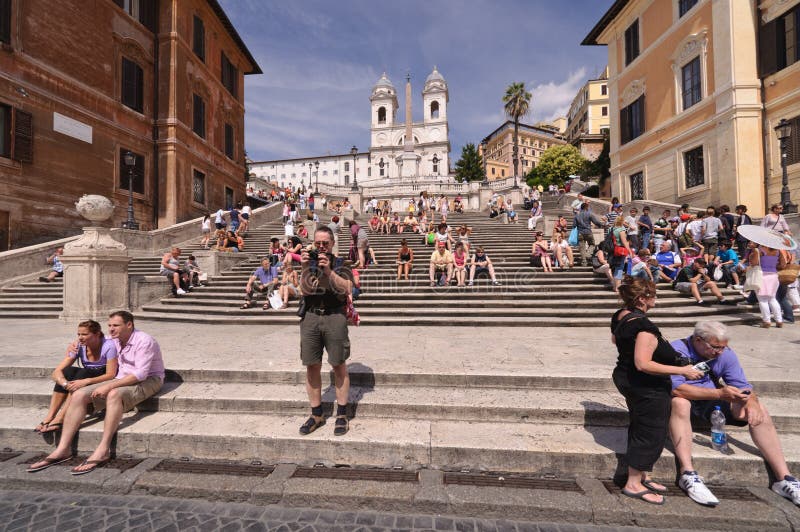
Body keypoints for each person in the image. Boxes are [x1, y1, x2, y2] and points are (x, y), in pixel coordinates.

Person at [669, 321, 800, 507]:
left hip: (713, 402)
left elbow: (743, 385)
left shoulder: (724, 352)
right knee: (679, 403)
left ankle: (784, 478)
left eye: (723, 347)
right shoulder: (676, 350)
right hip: (686, 399)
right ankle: (687, 472)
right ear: (698, 340)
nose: (720, 352)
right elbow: (677, 389)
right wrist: (719, 393)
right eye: (715, 347)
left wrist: (752, 400)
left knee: (759, 409)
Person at [28, 311, 164, 475]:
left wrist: (107, 386)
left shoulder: (144, 341)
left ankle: (103, 450)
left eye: (116, 325)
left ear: (129, 325)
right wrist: (75, 345)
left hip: (149, 379)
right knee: (79, 394)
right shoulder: (113, 338)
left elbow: (140, 374)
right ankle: (63, 449)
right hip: (121, 377)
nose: (111, 329)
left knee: (113, 394)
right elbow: (94, 338)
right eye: (109, 325)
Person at [610, 277, 704, 505]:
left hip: (627, 378)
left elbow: (615, 339)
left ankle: (642, 474)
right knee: (650, 431)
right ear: (643, 299)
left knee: (640, 424)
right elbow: (643, 363)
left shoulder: (621, 316)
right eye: (653, 295)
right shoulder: (643, 326)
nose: (656, 299)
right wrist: (684, 371)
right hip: (646, 385)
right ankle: (633, 484)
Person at [297, 227, 353, 436]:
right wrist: (303, 267)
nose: (321, 247)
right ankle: (316, 414)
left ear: (332, 244)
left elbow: (347, 288)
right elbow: (304, 290)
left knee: (338, 365)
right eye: (318, 243)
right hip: (311, 316)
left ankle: (342, 414)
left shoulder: (341, 263)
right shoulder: (309, 264)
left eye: (325, 244)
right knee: (312, 365)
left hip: (335, 316)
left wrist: (329, 271)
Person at [35, 320, 119, 434]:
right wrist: (65, 384)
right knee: (67, 371)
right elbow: (57, 372)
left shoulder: (108, 346)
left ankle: (61, 417)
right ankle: (50, 417)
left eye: (84, 334)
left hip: (100, 378)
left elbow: (111, 374)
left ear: (97, 334)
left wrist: (86, 381)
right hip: (83, 378)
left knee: (82, 373)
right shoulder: (78, 346)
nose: (80, 337)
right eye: (78, 334)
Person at [750, 243, 785, 328]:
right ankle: (779, 320)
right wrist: (772, 265)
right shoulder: (778, 251)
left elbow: (754, 263)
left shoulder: (759, 250)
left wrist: (752, 256)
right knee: (772, 299)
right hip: (774, 276)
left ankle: (766, 321)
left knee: (762, 300)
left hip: (762, 276)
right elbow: (782, 265)